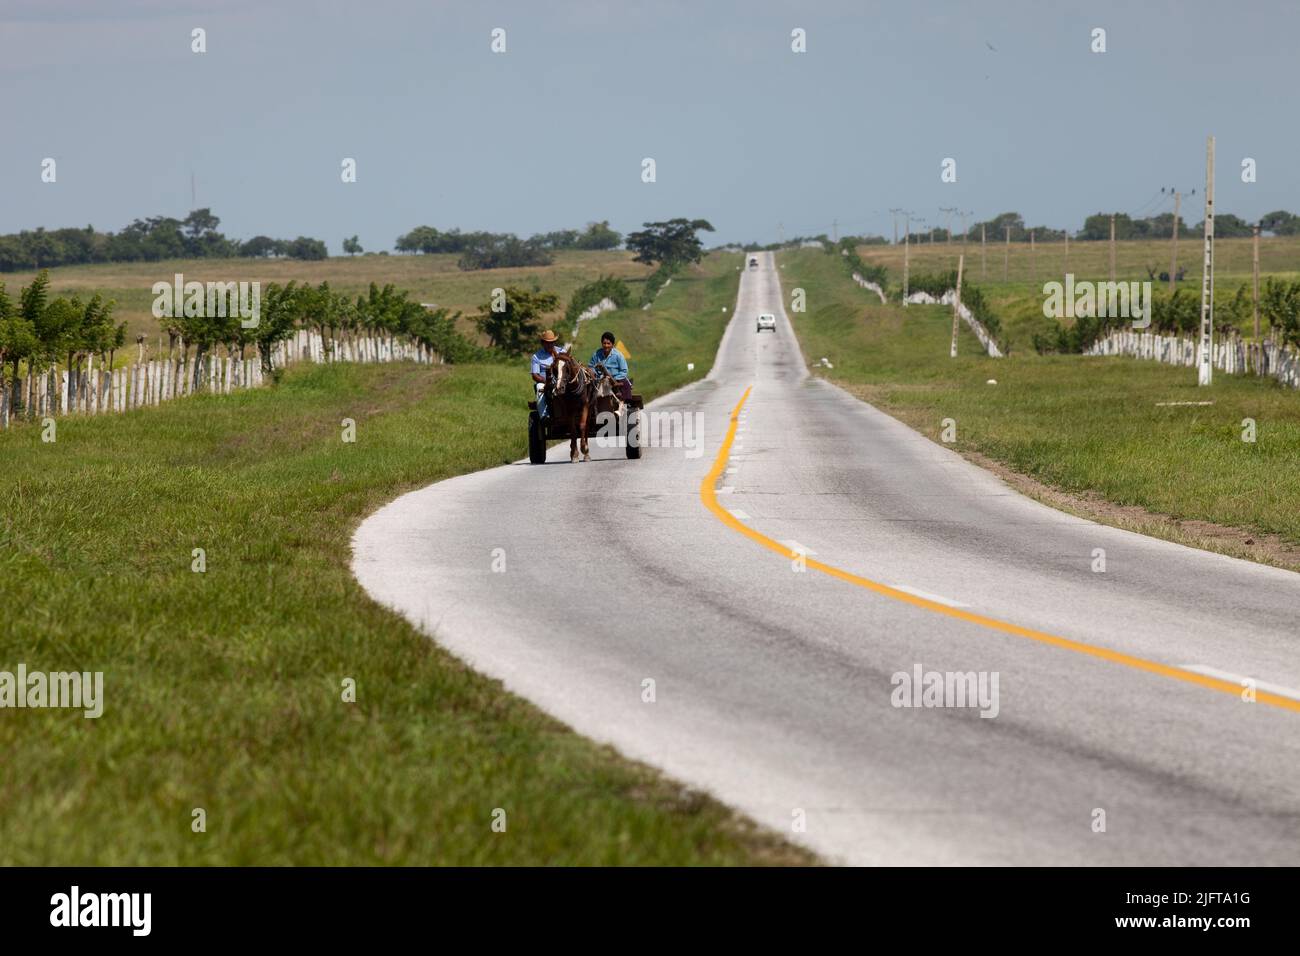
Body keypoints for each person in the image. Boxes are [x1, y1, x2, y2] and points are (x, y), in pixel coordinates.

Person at [530, 330, 565, 419]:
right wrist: (546, 381)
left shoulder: (562, 351)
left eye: (552, 342)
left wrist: (555, 354)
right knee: (539, 387)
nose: (550, 345)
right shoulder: (536, 356)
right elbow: (535, 375)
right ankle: (545, 416)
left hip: (562, 380)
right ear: (542, 343)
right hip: (545, 382)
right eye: (547, 343)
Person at [589, 331, 631, 403]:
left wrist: (613, 379)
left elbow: (624, 371)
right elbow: (591, 366)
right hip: (599, 381)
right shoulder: (596, 354)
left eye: (608, 343)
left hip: (615, 381)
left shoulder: (618, 355)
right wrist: (594, 374)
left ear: (612, 344)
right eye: (604, 343)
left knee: (622, 390)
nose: (606, 345)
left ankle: (620, 407)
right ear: (602, 343)